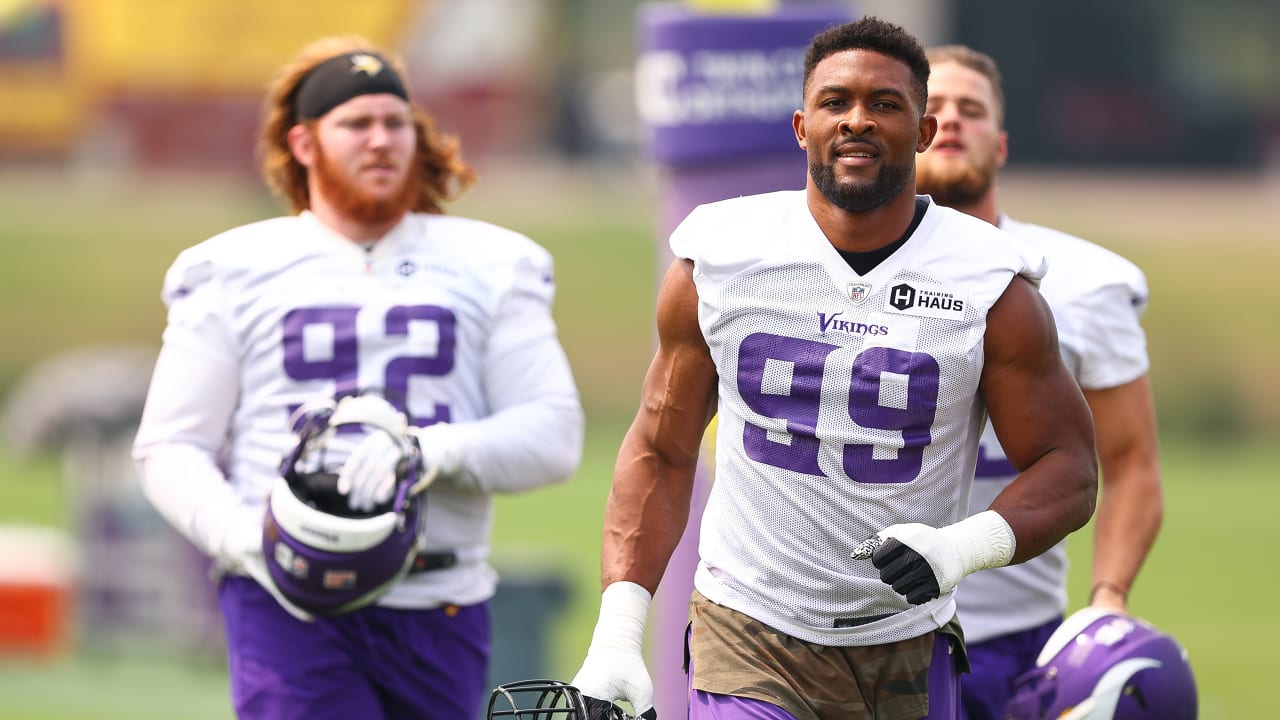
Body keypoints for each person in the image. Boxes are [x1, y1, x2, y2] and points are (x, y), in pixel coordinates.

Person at [569, 17, 1098, 720]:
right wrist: (617, 633)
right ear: (800, 126)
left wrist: (960, 548)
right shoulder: (721, 257)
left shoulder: (990, 285)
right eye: (835, 102)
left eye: (885, 104)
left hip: (906, 643)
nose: (857, 120)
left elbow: (1069, 466)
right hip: (749, 631)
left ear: (924, 132)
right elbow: (659, 451)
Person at [131, 36, 584, 720]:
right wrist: (248, 538)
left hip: (440, 594)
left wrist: (429, 451)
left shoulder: (493, 263)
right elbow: (168, 445)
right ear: (304, 144)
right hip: (286, 602)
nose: (381, 140)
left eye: (395, 122)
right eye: (356, 124)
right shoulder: (231, 268)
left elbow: (553, 436)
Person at [915, 44, 1164, 720]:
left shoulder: (1083, 283)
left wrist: (1107, 599)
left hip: (1017, 644)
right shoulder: (834, 275)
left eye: (971, 110)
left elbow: (1132, 462)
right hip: (866, 634)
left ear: (1000, 145)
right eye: (932, 108)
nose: (952, 121)